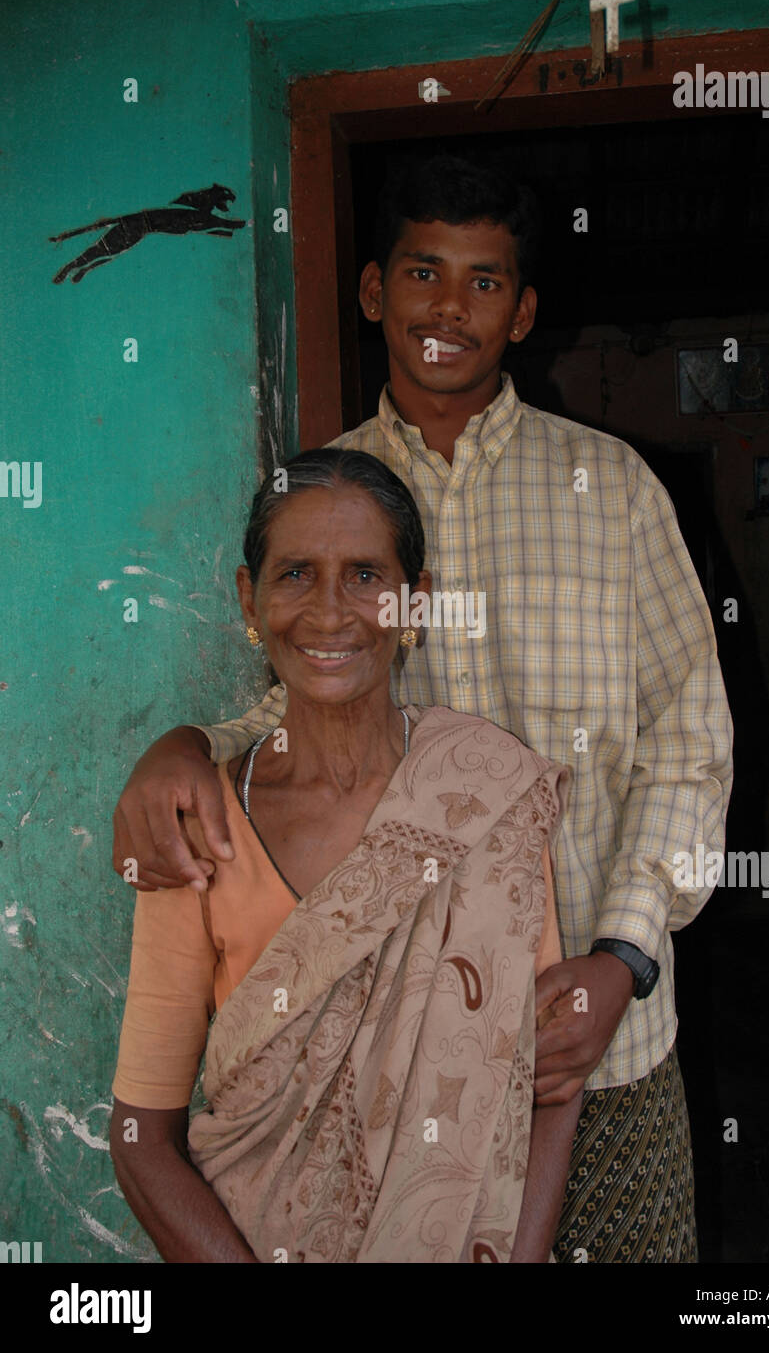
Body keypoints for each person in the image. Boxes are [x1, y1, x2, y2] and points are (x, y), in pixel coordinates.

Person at [112, 154, 734, 1263]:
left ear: (524, 309)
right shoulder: (326, 497)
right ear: (371, 292)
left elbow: (692, 743)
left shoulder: (618, 488)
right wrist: (185, 746)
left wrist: (621, 958)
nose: (449, 307)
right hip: (404, 1078)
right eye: (422, 272)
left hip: (600, 1038)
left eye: (485, 281)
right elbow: (294, 699)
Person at [110, 448, 579, 1264]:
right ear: (249, 600)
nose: (331, 611)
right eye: (295, 574)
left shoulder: (486, 793)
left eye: (365, 575)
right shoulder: (199, 826)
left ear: (415, 604)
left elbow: (547, 1087)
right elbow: (140, 1137)